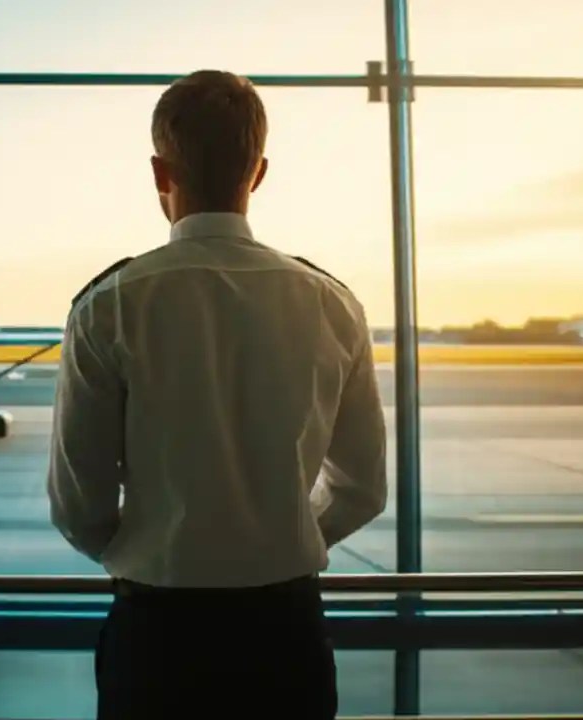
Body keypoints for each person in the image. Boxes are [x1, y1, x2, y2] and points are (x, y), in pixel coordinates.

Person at [46, 69, 389, 719]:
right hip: (285, 634)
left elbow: (78, 507)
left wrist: (158, 551)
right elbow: (363, 489)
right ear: (258, 172)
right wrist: (271, 539)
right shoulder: (332, 304)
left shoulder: (110, 304)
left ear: (159, 172)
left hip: (157, 637)